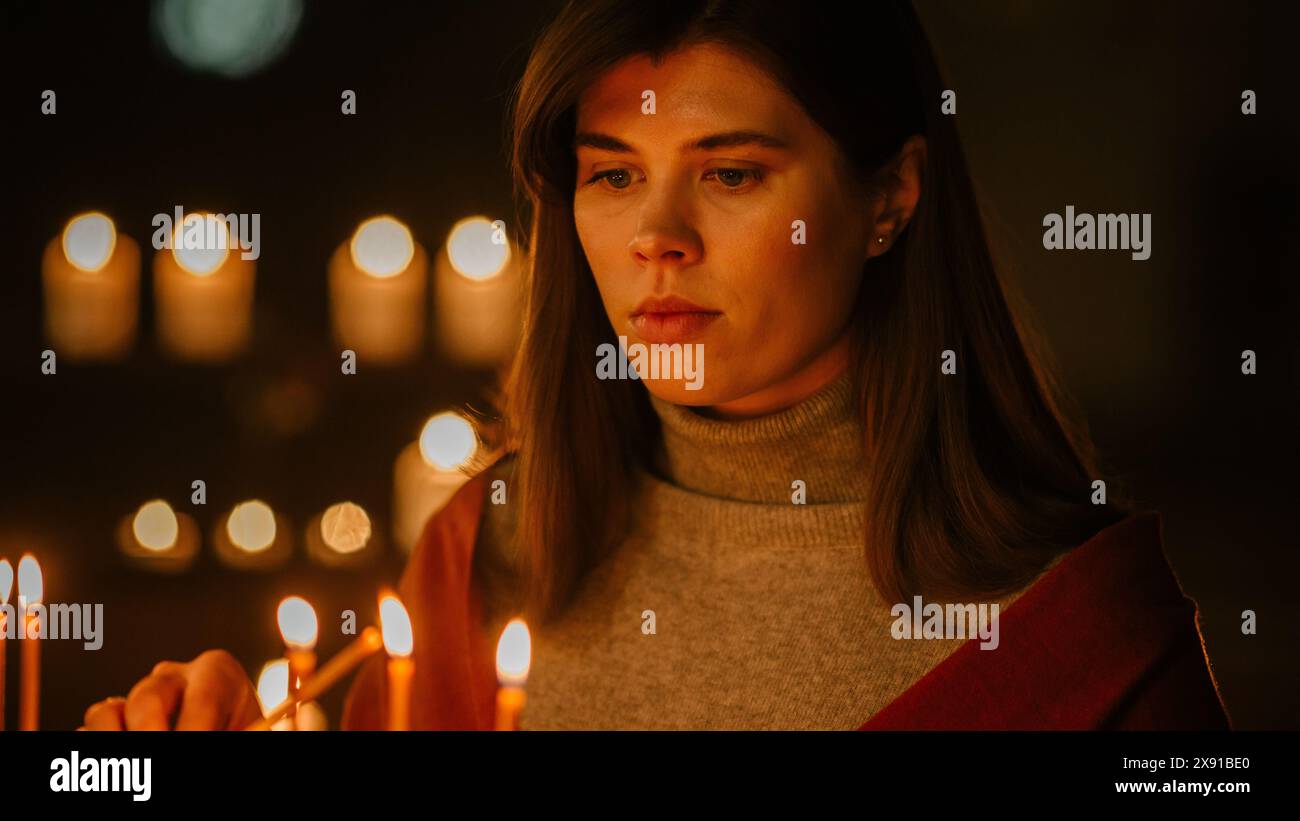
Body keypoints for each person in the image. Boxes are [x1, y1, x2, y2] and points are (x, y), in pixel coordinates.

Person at [81, 0, 1230, 731]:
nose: (655, 238)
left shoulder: (1076, 635)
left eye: (730, 173)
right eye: (614, 174)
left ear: (890, 197)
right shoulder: (488, 549)